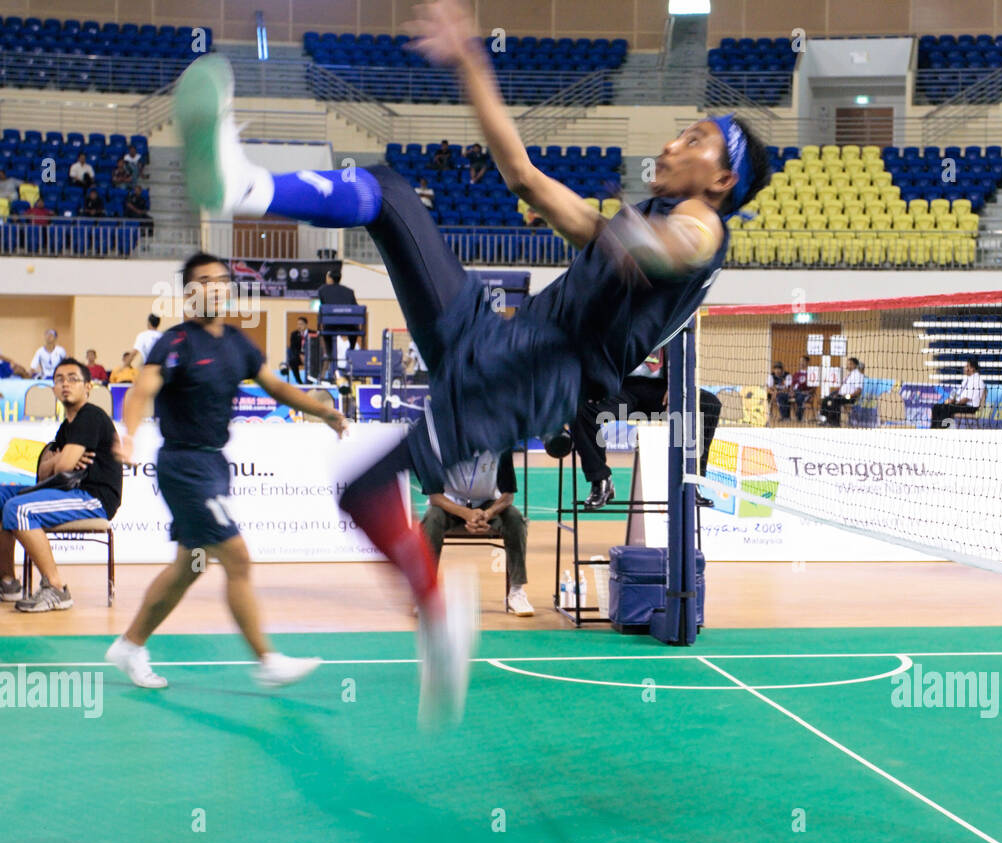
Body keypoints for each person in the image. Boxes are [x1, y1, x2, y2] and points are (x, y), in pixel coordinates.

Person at [169, 4, 767, 720]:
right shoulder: (634, 217)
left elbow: (684, 245)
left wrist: (645, 245)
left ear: (723, 180)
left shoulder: (700, 223)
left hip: (539, 374)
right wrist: (470, 63)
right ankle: (244, 187)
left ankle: (439, 617)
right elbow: (521, 176)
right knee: (390, 193)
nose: (675, 140)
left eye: (696, 139)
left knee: (363, 489)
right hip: (497, 334)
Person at [106, 253, 345, 690]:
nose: (215, 287)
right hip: (183, 465)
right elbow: (143, 389)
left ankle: (130, 644)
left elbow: (275, 387)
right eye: (203, 281)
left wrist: (322, 411)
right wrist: (129, 433)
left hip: (215, 463)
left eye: (221, 280)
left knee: (191, 564)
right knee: (236, 556)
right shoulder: (174, 342)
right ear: (188, 293)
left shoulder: (238, 343)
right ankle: (267, 659)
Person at [0, 359, 122, 611]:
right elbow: (45, 472)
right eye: (59, 379)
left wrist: (59, 460)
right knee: (2, 496)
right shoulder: (66, 427)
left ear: (88, 387)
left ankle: (56, 589)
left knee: (18, 509)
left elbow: (62, 466)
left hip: (93, 498)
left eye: (72, 379)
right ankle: (7, 582)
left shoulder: (91, 416)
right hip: (67, 493)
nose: (65, 384)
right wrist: (59, 460)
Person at [572, 347, 722, 510]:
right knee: (579, 408)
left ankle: (691, 483)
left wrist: (679, 385)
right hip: (620, 389)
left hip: (661, 390)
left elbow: (687, 356)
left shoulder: (670, 323)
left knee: (708, 404)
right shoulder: (614, 322)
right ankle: (600, 481)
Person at [420, 450, 533, 616]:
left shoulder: (501, 446)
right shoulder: (439, 447)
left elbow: (508, 496)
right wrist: (466, 514)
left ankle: (516, 592)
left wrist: (488, 514)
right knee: (431, 519)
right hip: (449, 505)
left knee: (515, 519)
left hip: (487, 506)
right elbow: (435, 497)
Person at [930, 357, 983, 428]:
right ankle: (933, 429)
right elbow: (958, 392)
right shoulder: (967, 379)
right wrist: (950, 399)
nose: (964, 368)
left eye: (966, 366)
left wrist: (955, 402)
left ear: (972, 368)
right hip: (961, 404)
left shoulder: (977, 381)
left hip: (970, 407)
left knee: (946, 408)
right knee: (937, 407)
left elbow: (966, 399)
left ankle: (942, 429)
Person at [820, 356, 863, 426]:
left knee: (836, 400)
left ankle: (835, 422)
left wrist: (848, 395)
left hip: (850, 397)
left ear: (855, 365)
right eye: (848, 364)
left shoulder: (858, 375)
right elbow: (842, 386)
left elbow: (859, 390)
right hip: (841, 395)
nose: (848, 365)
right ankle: (824, 419)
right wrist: (836, 392)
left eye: (850, 364)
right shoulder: (849, 375)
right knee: (826, 399)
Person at [790, 355, 814, 422]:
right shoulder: (796, 373)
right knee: (783, 396)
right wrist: (791, 391)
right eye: (800, 361)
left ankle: (799, 417)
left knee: (800, 398)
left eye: (803, 361)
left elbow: (814, 387)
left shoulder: (811, 373)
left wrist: (808, 392)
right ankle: (786, 417)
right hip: (796, 392)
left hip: (806, 393)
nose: (801, 363)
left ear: (807, 362)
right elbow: (792, 385)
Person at [288, 316, 310, 384]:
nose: (299, 326)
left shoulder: (312, 333)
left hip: (310, 356)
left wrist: (306, 355)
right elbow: (293, 347)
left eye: (301, 324)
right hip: (299, 356)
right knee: (292, 361)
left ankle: (310, 381)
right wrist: (300, 354)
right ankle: (299, 381)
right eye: (298, 324)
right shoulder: (294, 334)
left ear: (306, 325)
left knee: (315, 362)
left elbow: (315, 346)